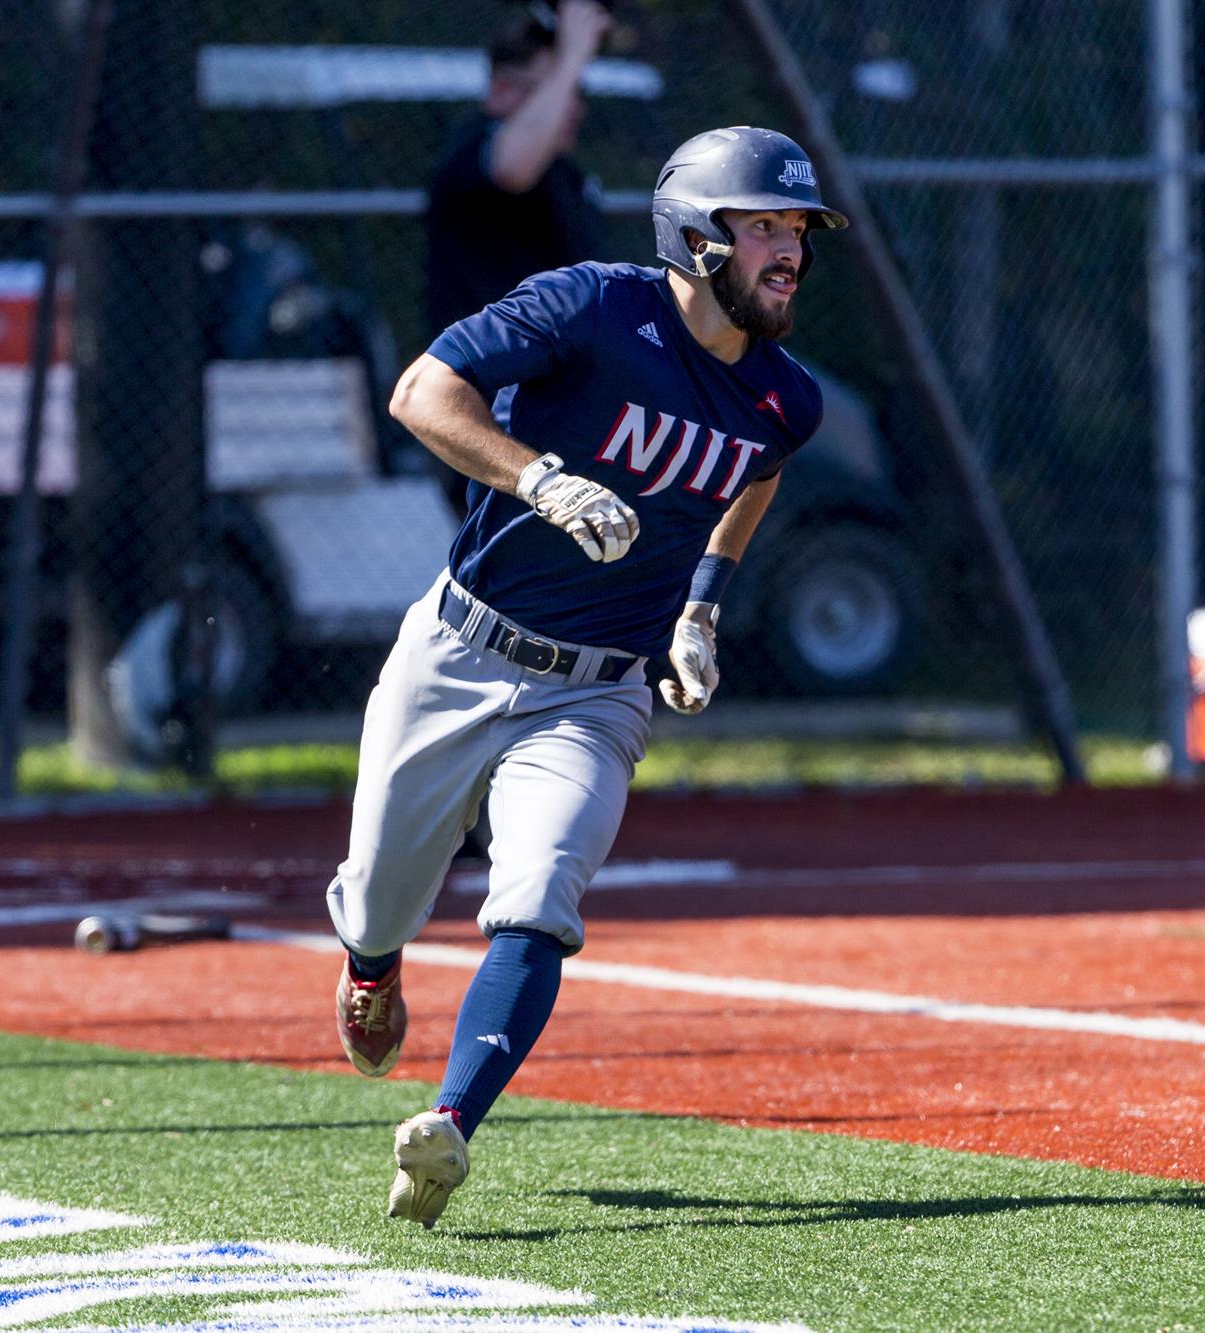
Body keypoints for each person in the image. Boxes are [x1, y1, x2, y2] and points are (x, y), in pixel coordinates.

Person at [328, 126, 848, 1228]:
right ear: (695, 236)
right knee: (379, 896)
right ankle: (370, 967)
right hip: (460, 649)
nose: (787, 251)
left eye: (796, 229)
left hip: (598, 687)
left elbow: (755, 475)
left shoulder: (785, 398)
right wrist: (540, 480)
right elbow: (423, 390)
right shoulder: (593, 306)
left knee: (539, 893)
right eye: (762, 225)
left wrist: (701, 603)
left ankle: (449, 1127)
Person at [423, 2, 613, 506]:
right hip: (489, 419)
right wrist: (572, 53)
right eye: (562, 88)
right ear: (504, 91)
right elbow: (511, 167)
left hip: (559, 409)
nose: (575, 107)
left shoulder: (564, 176)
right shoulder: (476, 153)